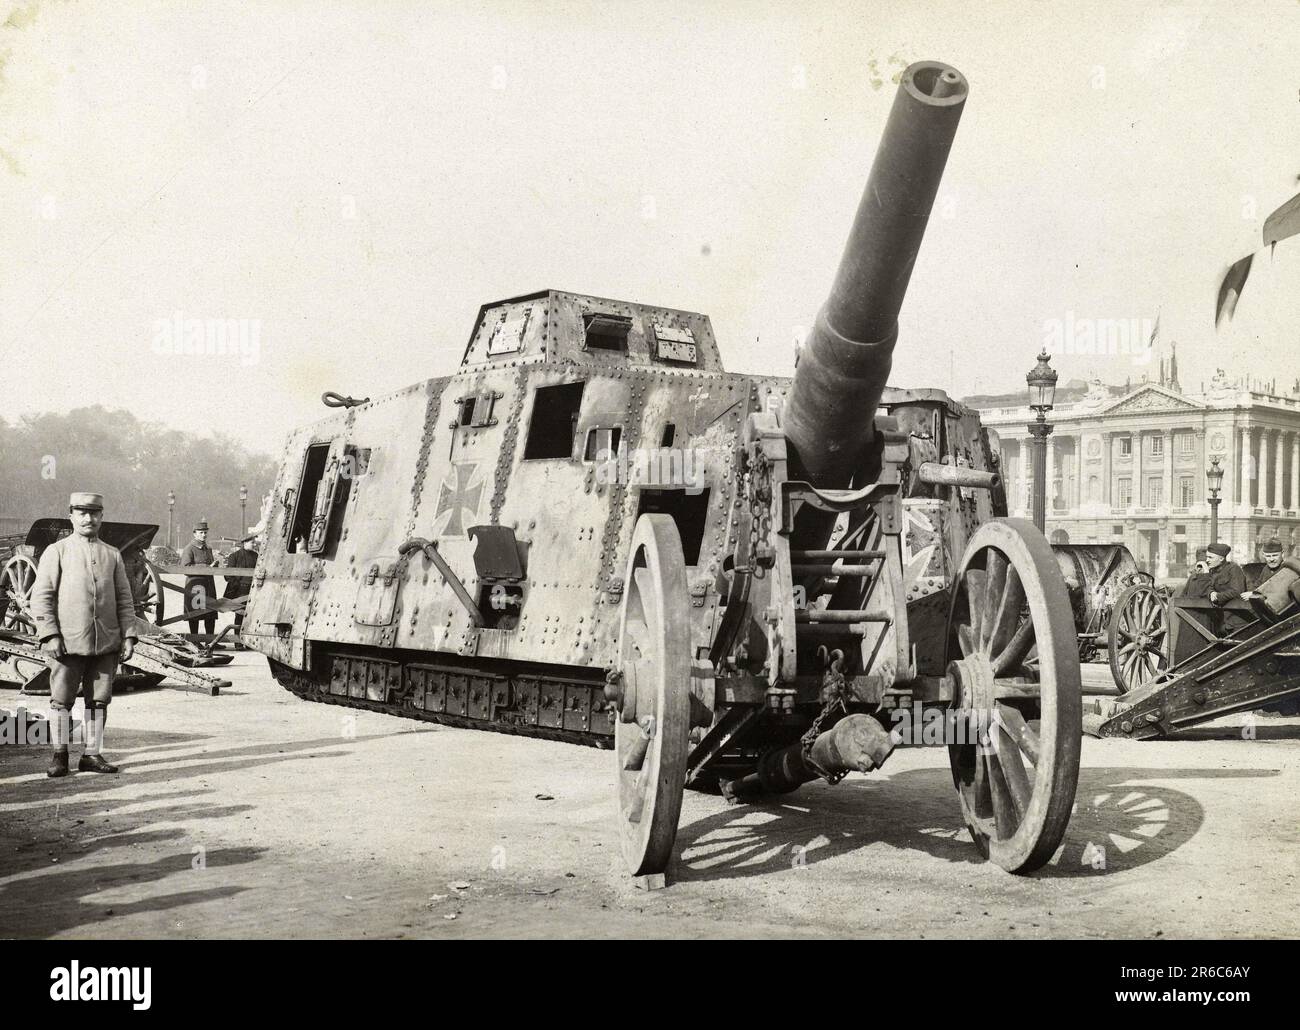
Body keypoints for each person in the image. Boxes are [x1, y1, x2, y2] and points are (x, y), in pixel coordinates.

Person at [30, 493, 138, 777]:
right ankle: (60, 755)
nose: (88, 518)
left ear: (101, 517)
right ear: (71, 516)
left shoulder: (112, 554)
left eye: (94, 513)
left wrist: (128, 635)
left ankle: (91, 754)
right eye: (81, 513)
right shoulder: (58, 551)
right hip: (66, 643)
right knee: (61, 700)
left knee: (99, 701)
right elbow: (41, 598)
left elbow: (125, 600)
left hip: (106, 642)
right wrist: (50, 634)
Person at [180, 520, 218, 637]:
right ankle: (194, 640)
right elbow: (185, 567)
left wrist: (214, 565)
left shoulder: (208, 549)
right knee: (194, 613)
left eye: (205, 532)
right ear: (194, 534)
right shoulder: (189, 549)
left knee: (210, 612)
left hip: (208, 584)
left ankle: (210, 640)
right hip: (195, 586)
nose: (203, 535)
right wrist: (206, 567)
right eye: (201, 532)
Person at [222, 535, 258, 644]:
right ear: (244, 543)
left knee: (251, 616)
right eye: (252, 542)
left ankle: (248, 642)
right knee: (239, 615)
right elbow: (228, 575)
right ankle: (238, 641)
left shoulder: (256, 556)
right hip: (239, 591)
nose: (254, 544)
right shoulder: (234, 556)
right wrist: (238, 585)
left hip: (253, 590)